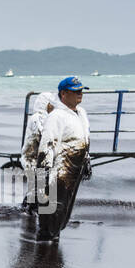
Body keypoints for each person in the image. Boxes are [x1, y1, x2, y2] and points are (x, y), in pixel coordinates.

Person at [34, 76, 91, 242]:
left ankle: (54, 236)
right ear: (64, 94)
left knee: (65, 208)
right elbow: (47, 146)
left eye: (81, 91)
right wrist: (43, 174)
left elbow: (85, 137)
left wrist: (87, 160)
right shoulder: (56, 116)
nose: (80, 94)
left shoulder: (81, 113)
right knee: (52, 207)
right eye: (75, 91)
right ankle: (45, 243)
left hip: (74, 169)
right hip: (58, 171)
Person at [20, 92, 55, 216]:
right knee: (36, 185)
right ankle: (29, 211)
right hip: (32, 158)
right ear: (45, 104)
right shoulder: (37, 118)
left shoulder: (46, 118)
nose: (53, 107)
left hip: (38, 158)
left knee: (36, 187)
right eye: (51, 104)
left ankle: (27, 209)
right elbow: (43, 136)